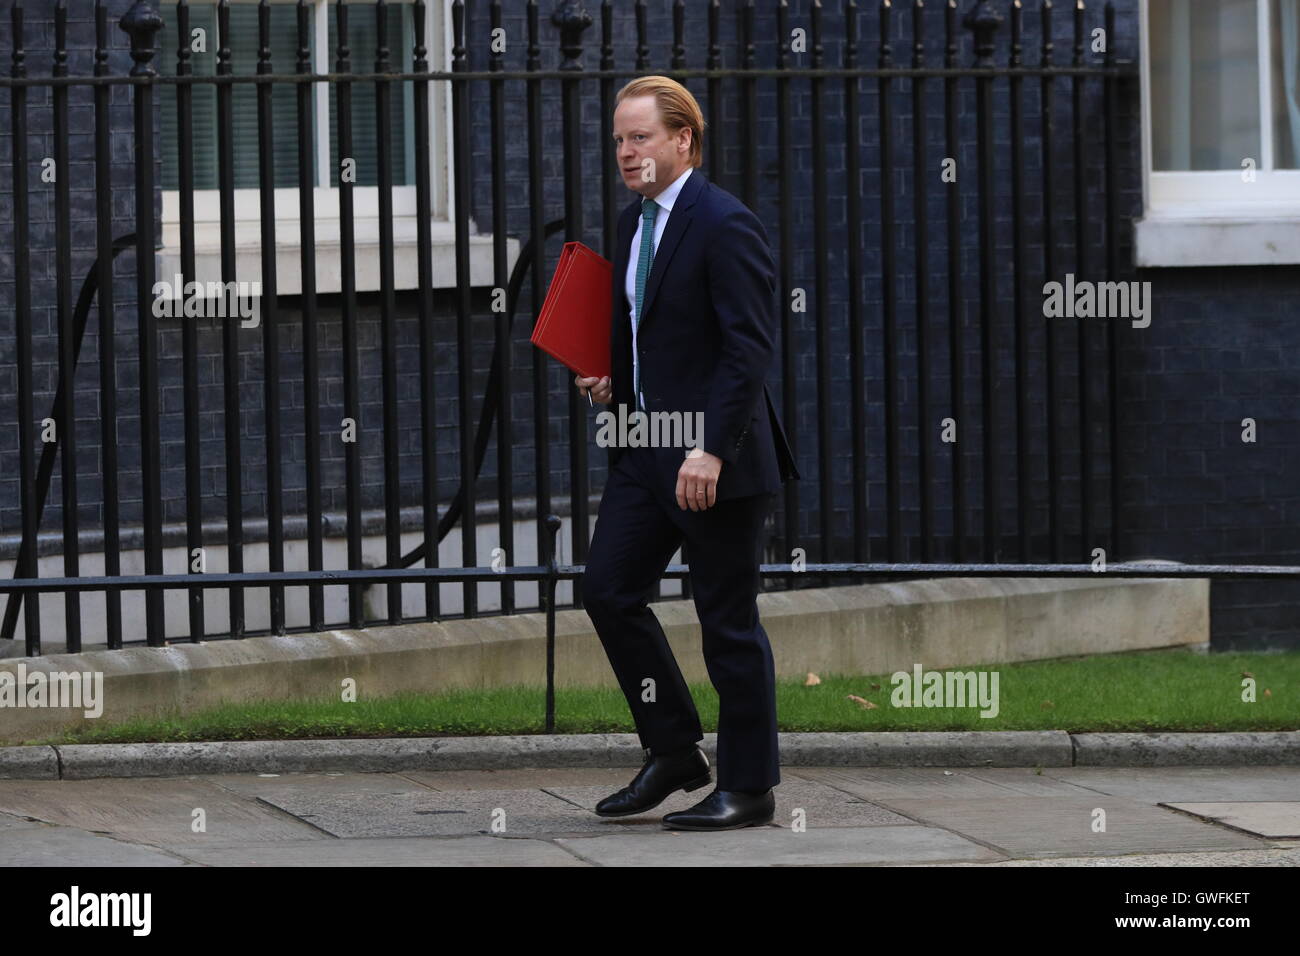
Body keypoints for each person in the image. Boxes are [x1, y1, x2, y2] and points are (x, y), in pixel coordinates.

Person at [575, 75, 800, 831]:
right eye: (619, 139)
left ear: (684, 140)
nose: (627, 152)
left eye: (640, 137)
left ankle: (750, 787)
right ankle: (673, 751)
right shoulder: (633, 224)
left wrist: (709, 449)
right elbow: (651, 335)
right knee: (607, 589)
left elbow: (747, 348)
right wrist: (614, 381)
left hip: (714, 462)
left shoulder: (723, 223)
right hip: (645, 451)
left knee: (726, 621)